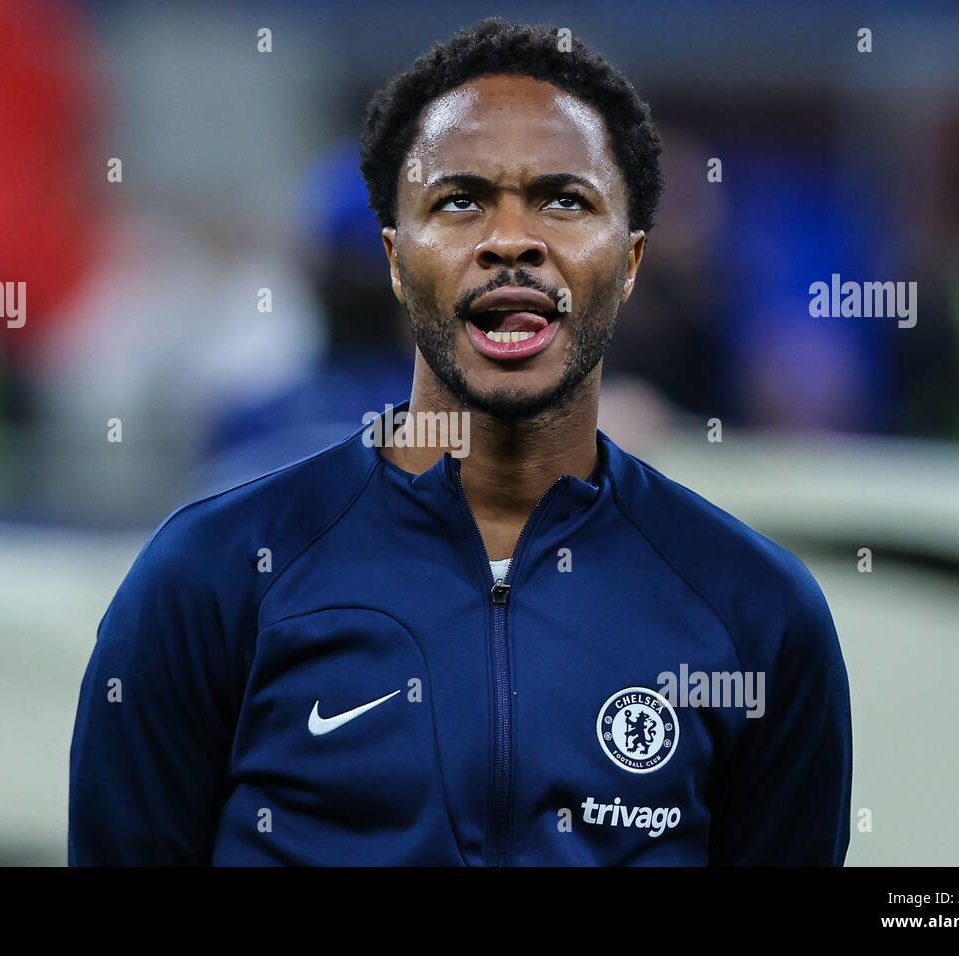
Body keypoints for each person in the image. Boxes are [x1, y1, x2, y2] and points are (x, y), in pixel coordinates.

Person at [69, 17, 852, 866]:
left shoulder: (756, 612)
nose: (511, 240)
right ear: (397, 259)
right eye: (459, 200)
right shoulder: (214, 576)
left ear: (630, 263)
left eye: (565, 199)